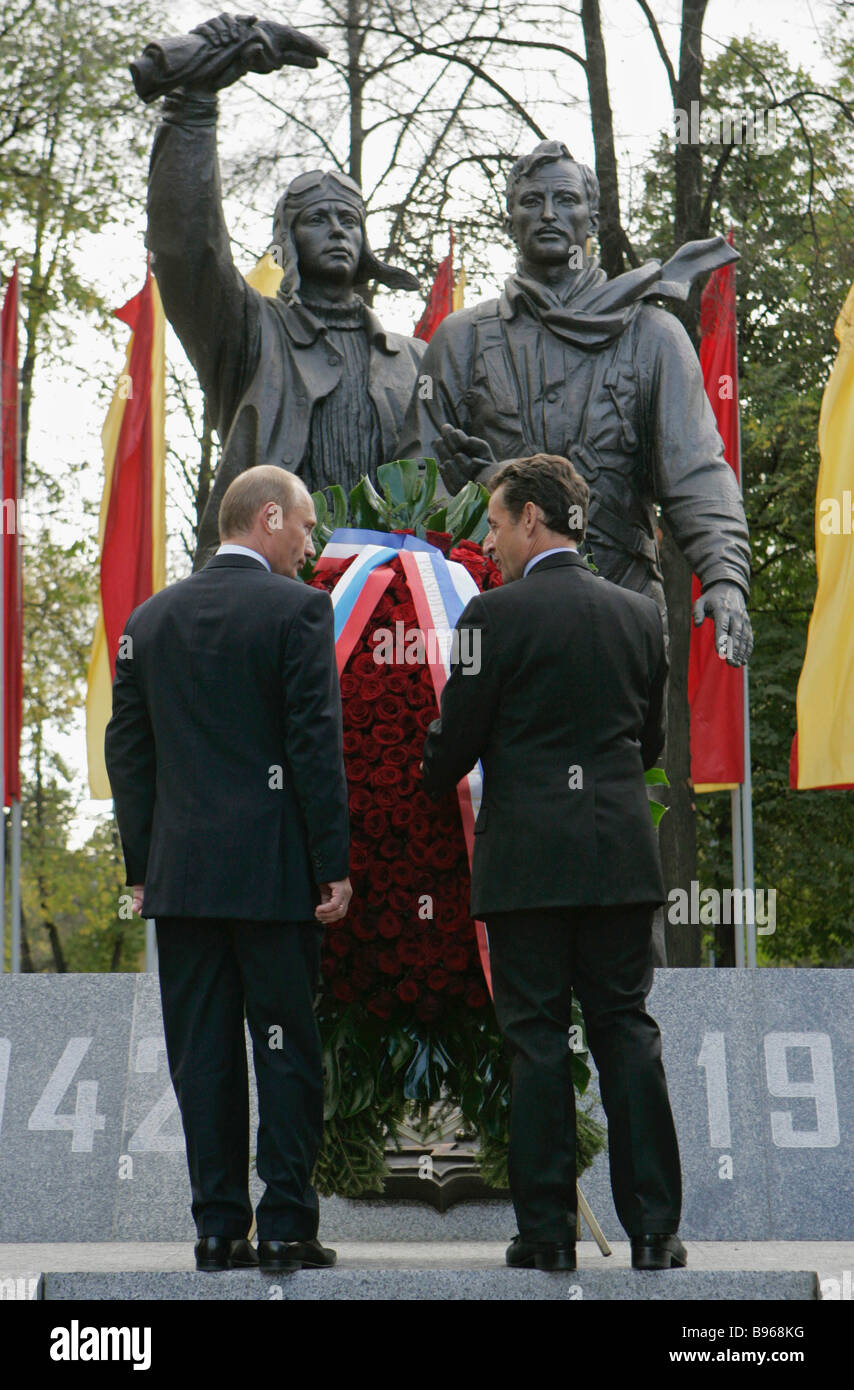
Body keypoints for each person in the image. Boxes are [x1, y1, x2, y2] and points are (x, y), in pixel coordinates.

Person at [421, 453, 685, 1272]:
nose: (491, 541)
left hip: (528, 864)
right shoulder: (641, 614)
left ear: (532, 518)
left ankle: (545, 1235)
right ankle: (654, 1231)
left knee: (535, 1040)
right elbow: (650, 745)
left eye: (496, 523)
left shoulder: (489, 619)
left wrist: (430, 768)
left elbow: (452, 748)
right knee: (627, 1031)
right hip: (616, 856)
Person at [105, 465, 351, 1273]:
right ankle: (284, 1224)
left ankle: (216, 1230)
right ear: (268, 518)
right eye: (306, 528)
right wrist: (332, 863)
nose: (309, 546)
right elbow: (314, 746)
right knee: (285, 1050)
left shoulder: (150, 619)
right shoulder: (299, 611)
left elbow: (129, 757)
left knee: (202, 1054)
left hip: (182, 881)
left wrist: (143, 868)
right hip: (273, 876)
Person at [398, 139, 753, 668]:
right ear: (508, 217)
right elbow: (412, 487)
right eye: (530, 201)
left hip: (621, 611)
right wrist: (483, 496)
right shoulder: (460, 339)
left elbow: (697, 469)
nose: (547, 214)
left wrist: (725, 574)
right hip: (490, 612)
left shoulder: (654, 337)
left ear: (593, 216)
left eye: (565, 200)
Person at [141, 11, 426, 569]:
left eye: (349, 219)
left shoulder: (414, 359)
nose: (338, 229)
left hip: (392, 594)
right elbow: (188, 249)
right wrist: (194, 105)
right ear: (287, 240)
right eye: (318, 219)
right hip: (272, 584)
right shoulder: (251, 333)